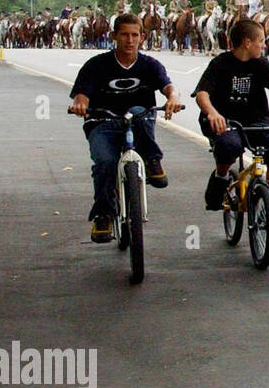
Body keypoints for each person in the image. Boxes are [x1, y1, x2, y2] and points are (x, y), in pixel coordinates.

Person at [67, 14, 183, 243]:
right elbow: (82, 94)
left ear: (142, 37)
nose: (130, 40)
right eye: (124, 35)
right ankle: (103, 214)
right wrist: (81, 104)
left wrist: (173, 98)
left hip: (137, 122)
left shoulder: (150, 64)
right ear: (114, 36)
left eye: (134, 35)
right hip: (103, 121)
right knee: (105, 163)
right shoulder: (96, 65)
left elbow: (169, 87)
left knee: (140, 111)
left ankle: (152, 160)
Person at [195, 21, 269, 230]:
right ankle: (221, 177)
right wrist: (213, 113)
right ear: (247, 43)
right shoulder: (221, 63)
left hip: (256, 122)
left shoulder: (261, 64)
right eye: (261, 41)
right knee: (229, 146)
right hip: (225, 121)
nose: (264, 45)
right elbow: (202, 94)